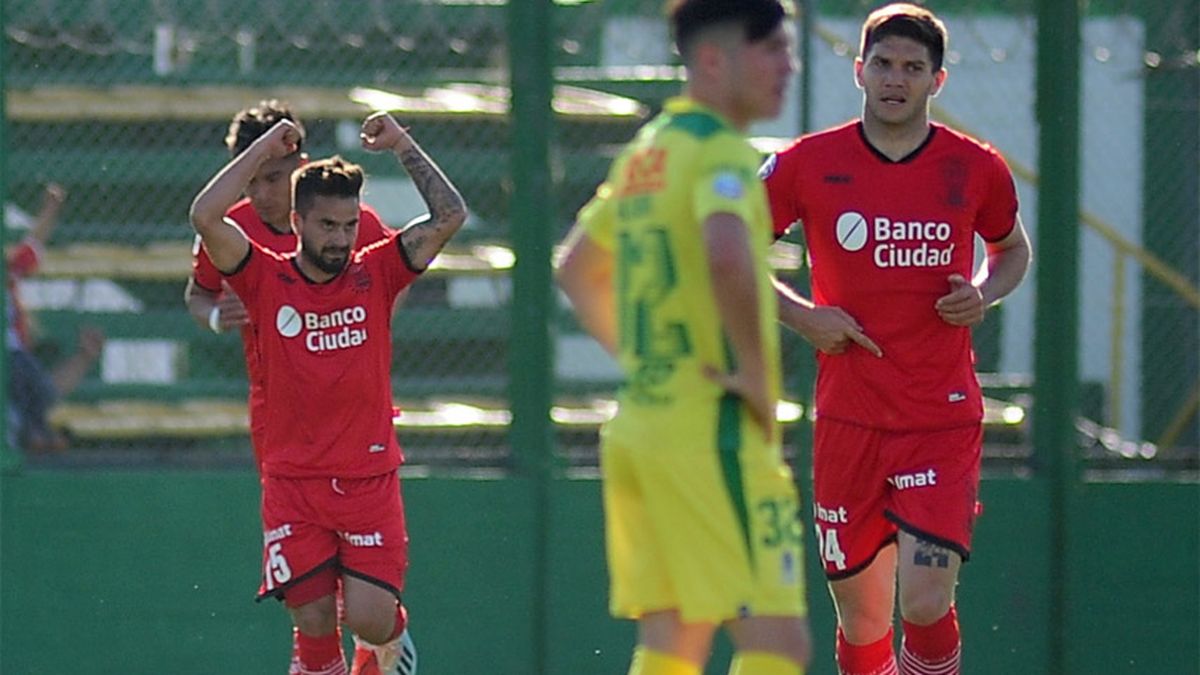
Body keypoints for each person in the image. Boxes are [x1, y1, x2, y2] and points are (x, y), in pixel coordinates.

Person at [761, 4, 1032, 674]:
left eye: (913, 68)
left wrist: (983, 291)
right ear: (859, 70)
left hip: (938, 417)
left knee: (926, 597)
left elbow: (1011, 251)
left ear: (937, 81)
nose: (895, 79)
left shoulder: (976, 168)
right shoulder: (807, 163)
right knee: (863, 617)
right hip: (849, 418)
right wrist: (804, 316)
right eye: (883, 64)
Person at [556, 2, 811, 674]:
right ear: (711, 61)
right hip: (712, 432)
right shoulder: (720, 151)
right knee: (776, 642)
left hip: (643, 425)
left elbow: (577, 267)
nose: (790, 65)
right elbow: (725, 249)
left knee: (674, 641)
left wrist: (647, 363)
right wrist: (756, 374)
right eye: (771, 49)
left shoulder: (647, 152)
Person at [189, 112, 466, 675]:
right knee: (313, 622)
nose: (340, 239)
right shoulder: (263, 276)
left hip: (367, 479)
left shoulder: (377, 271)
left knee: (367, 618)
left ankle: (390, 642)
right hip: (293, 479)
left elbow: (450, 215)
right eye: (327, 227)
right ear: (297, 222)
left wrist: (402, 145)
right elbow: (203, 215)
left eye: (347, 227)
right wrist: (265, 147)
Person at [6, 184, 106, 453]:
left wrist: (50, 210)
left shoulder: (10, 272)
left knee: (26, 384)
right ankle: (36, 433)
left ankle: (35, 434)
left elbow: (32, 247)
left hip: (15, 364)